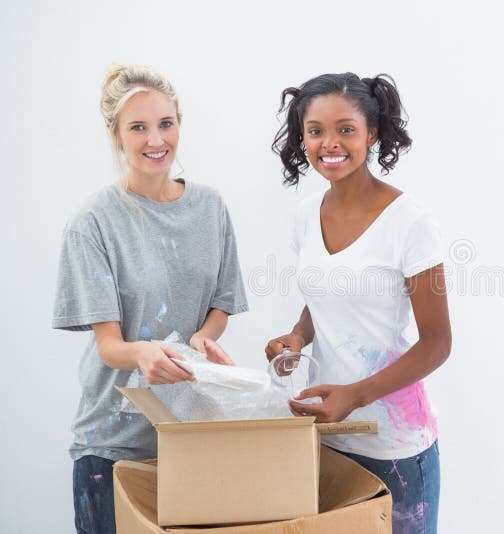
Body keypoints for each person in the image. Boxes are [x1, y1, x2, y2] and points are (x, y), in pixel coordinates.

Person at [52, 64, 248, 534]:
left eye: (165, 124)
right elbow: (109, 346)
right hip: (114, 447)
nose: (155, 139)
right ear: (115, 133)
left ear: (180, 122)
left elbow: (221, 304)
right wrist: (143, 354)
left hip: (192, 438)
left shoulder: (211, 207)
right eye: (137, 127)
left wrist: (203, 337)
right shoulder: (93, 221)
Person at [267, 72, 451, 534]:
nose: (330, 143)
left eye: (346, 129)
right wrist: (297, 336)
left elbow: (437, 343)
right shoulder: (307, 214)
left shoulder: (410, 223)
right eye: (316, 131)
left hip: (393, 446)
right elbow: (325, 297)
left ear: (372, 132)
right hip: (326, 434)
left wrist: (356, 395)